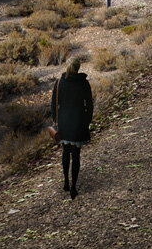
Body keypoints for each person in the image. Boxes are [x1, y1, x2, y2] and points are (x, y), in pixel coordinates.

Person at [51, 58, 93, 200]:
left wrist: (56, 121)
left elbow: (53, 105)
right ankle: (74, 186)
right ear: (78, 67)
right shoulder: (84, 83)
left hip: (64, 122)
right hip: (79, 122)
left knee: (65, 152)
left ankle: (66, 182)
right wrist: (87, 121)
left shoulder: (59, 83)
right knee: (76, 156)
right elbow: (89, 104)